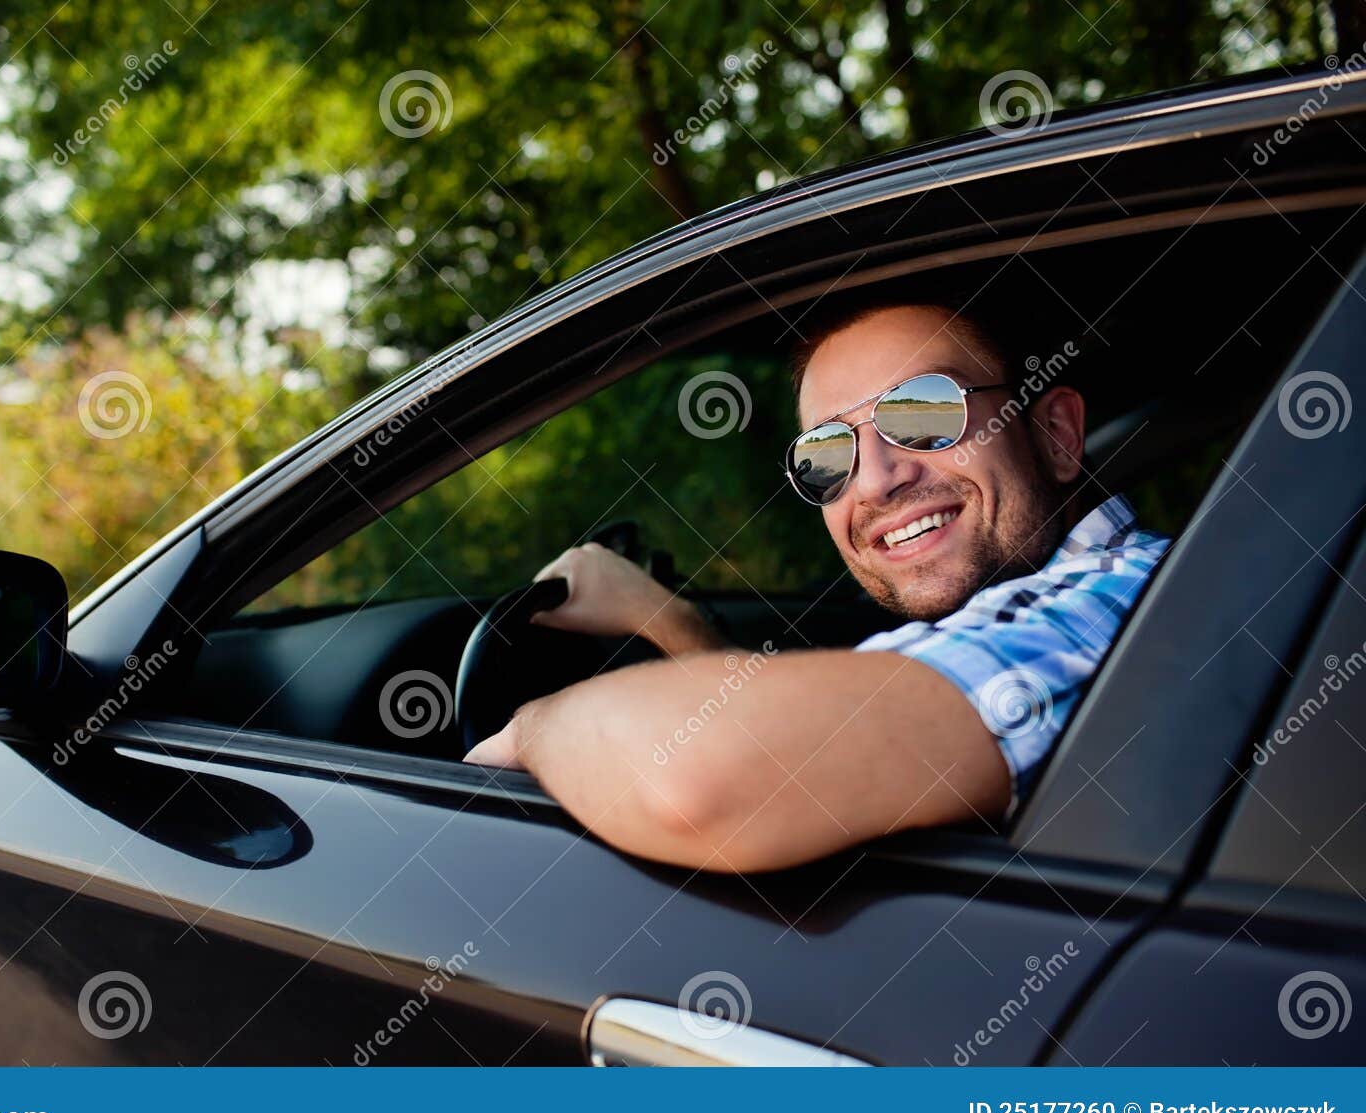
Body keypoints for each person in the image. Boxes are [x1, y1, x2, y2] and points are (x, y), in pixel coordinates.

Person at [464, 300, 1170, 871]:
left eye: (925, 412)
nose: (876, 480)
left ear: (1055, 435)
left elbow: (698, 778)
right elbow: (796, 746)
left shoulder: (1118, 604)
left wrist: (529, 730)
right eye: (828, 453)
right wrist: (670, 623)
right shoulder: (1090, 608)